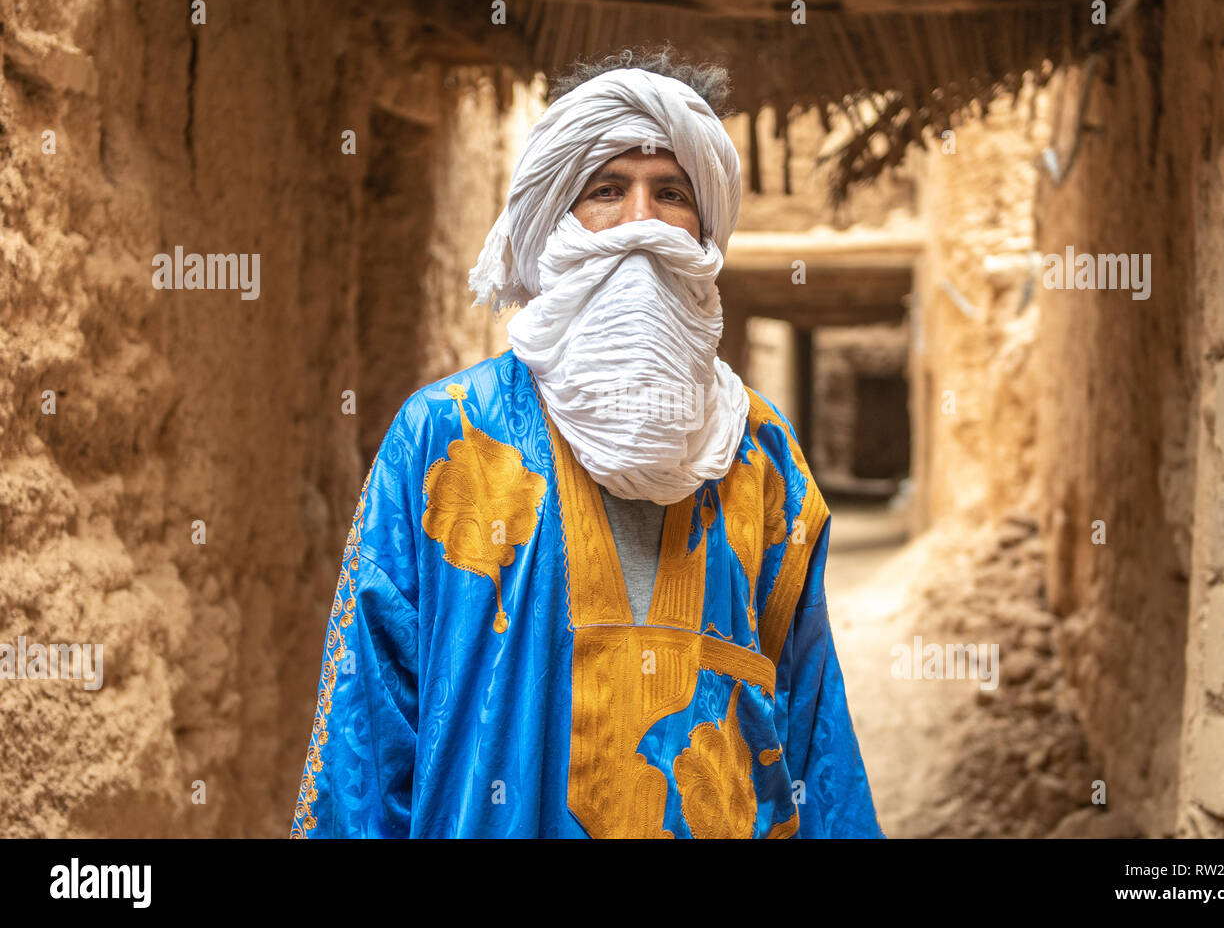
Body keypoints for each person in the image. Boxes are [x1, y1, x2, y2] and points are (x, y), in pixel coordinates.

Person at [290, 45, 885, 839]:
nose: (641, 222)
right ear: (553, 224)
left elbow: (813, 736)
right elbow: (367, 741)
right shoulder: (443, 439)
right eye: (607, 190)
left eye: (671, 193)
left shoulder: (761, 456)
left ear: (705, 228)